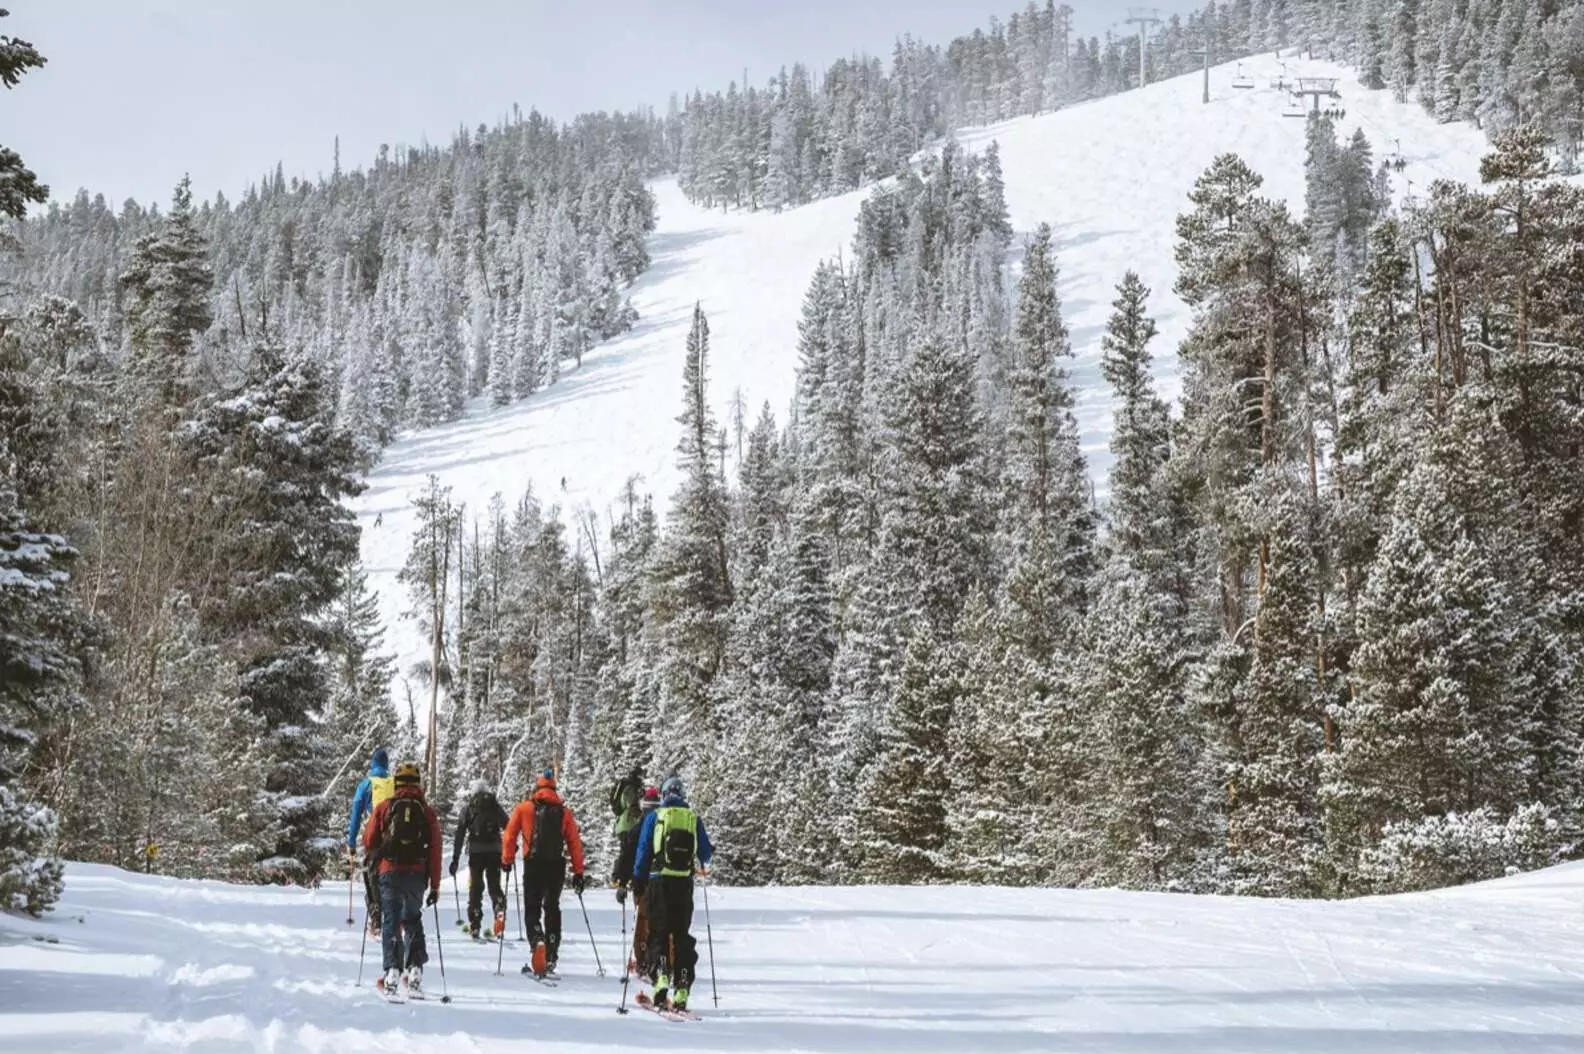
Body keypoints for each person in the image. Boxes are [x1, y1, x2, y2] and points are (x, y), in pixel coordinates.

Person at [362, 761, 443, 998]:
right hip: (417, 874)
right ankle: (415, 969)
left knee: (391, 921)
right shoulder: (426, 812)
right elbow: (436, 850)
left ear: (396, 783)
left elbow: (368, 840)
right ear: (418, 784)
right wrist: (435, 885)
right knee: (412, 919)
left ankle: (392, 971)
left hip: (390, 871)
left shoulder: (386, 807)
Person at [633, 775, 712, 1012]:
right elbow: (706, 854)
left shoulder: (656, 817)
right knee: (681, 935)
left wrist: (638, 879)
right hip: (683, 884)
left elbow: (644, 850)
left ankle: (661, 979)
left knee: (658, 933)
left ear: (664, 795)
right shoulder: (692, 818)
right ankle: (683, 984)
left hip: (659, 881)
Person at [501, 769, 587, 976]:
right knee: (552, 907)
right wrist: (578, 872)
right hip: (556, 865)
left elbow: (510, 835)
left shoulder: (524, 808)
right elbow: (574, 843)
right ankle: (551, 952)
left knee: (532, 907)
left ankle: (536, 939)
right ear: (554, 789)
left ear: (537, 788)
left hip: (533, 864)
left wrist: (507, 860)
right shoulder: (564, 813)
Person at [450, 778, 509, 938]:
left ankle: (475, 923)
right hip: (495, 851)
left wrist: (455, 858)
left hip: (476, 853)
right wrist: (509, 851)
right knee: (494, 885)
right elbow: (509, 826)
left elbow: (460, 834)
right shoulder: (495, 807)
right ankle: (498, 906)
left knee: (476, 888)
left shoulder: (469, 808)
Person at [346, 747, 394, 937]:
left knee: (370, 873)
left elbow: (356, 816)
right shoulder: (394, 783)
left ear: (373, 765)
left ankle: (376, 917)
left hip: (374, 837)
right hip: (395, 838)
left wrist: (351, 843)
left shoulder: (366, 785)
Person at [630, 785, 660, 980]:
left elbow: (633, 853)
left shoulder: (640, 825)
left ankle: (643, 961)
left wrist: (628, 878)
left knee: (642, 921)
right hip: (663, 878)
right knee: (660, 923)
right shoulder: (665, 822)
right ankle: (662, 961)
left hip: (644, 879)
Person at [609, 764, 644, 896]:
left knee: (628, 851)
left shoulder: (628, 787)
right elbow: (632, 806)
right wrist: (641, 816)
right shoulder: (630, 789)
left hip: (623, 825)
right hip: (627, 825)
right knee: (627, 851)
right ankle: (619, 876)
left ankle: (623, 876)